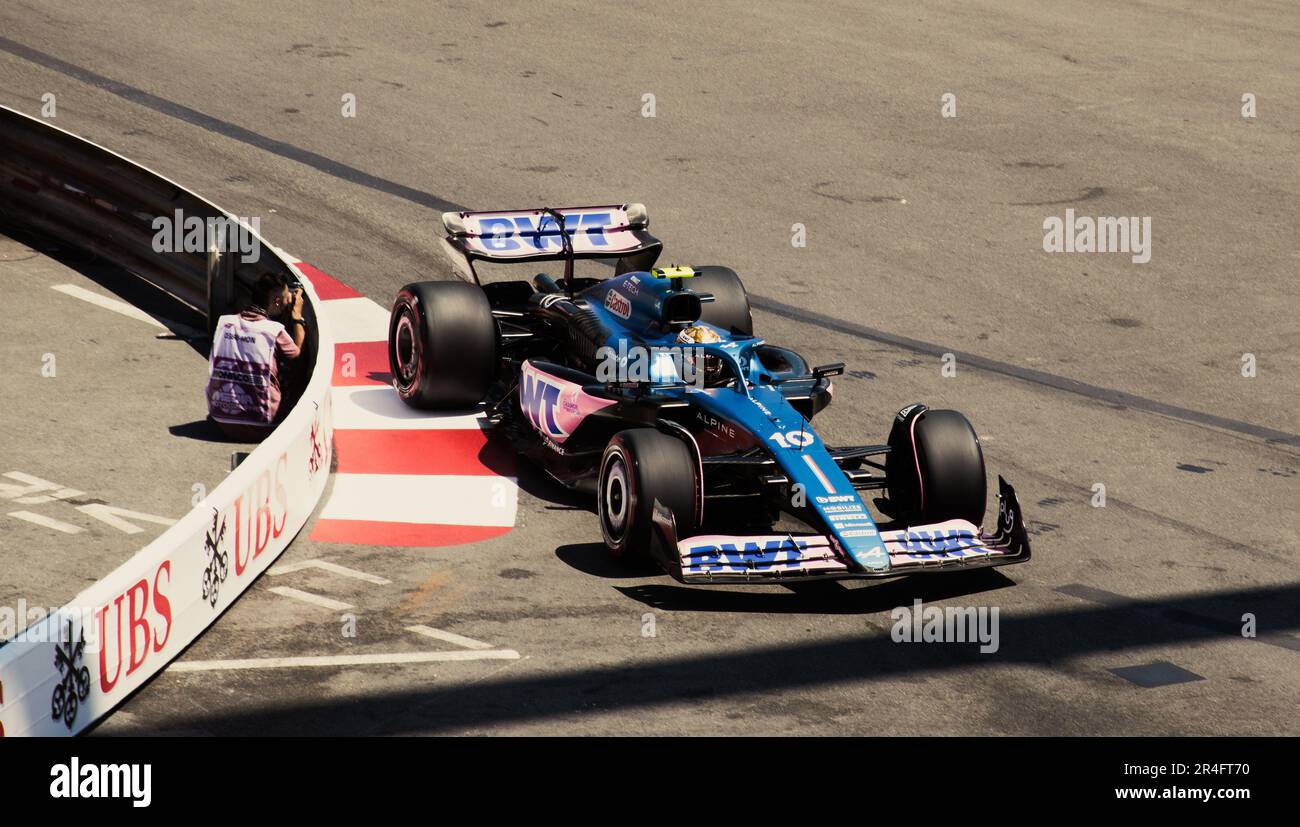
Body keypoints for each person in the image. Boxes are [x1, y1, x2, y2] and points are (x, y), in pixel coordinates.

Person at [206, 273, 306, 441]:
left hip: (222, 421)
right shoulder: (274, 330)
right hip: (262, 426)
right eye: (286, 296)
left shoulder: (225, 323)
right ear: (277, 301)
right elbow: (297, 353)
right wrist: (297, 316)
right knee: (297, 366)